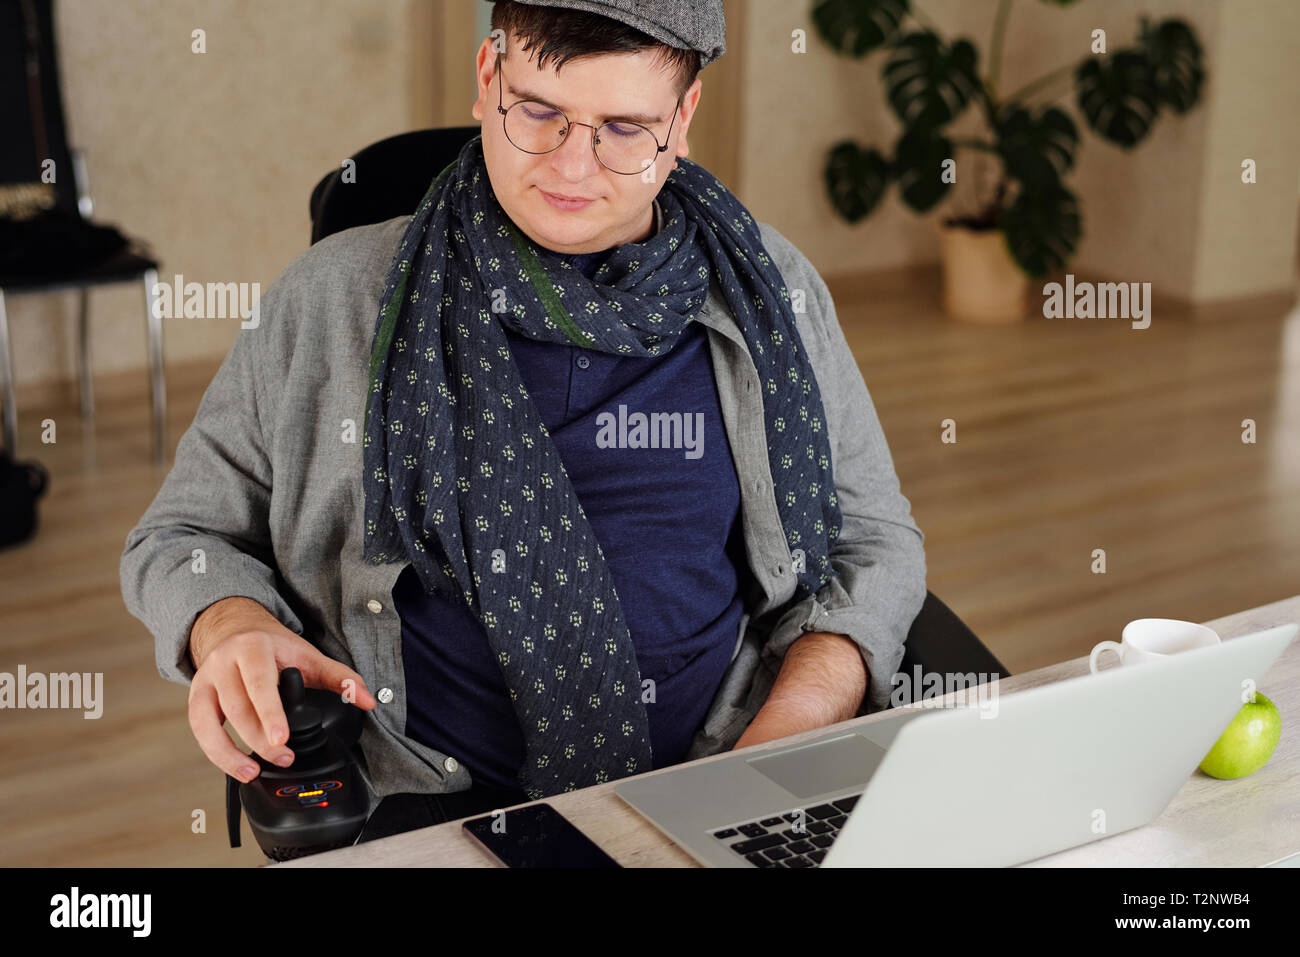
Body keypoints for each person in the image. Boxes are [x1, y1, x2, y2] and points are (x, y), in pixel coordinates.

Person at [120, 0, 926, 839]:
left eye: (624, 127)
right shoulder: (330, 299)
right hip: (423, 804)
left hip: (718, 770)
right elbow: (180, 535)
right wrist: (232, 622)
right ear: (487, 79)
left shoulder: (771, 288)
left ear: (682, 120)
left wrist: (770, 753)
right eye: (540, 111)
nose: (573, 167)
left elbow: (874, 542)